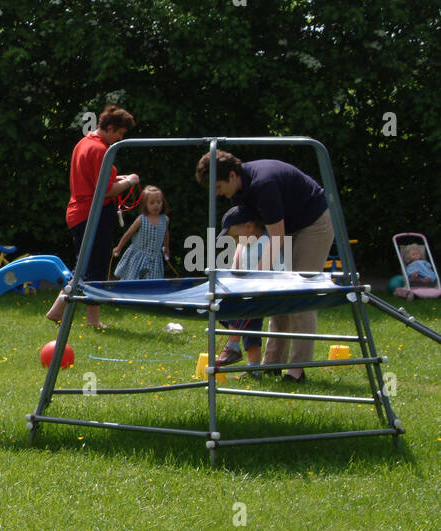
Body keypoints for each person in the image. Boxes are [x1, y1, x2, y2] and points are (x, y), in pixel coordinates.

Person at [196, 149, 334, 382]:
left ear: (231, 175)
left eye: (218, 187)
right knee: (279, 293)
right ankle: (272, 363)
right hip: (287, 227)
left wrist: (256, 278)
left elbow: (276, 237)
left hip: (313, 224)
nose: (217, 194)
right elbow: (248, 232)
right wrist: (239, 272)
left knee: (300, 293)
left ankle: (297, 370)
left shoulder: (263, 185)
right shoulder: (238, 192)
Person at [47, 106, 140, 328]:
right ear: (109, 128)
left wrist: (120, 178)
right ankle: (92, 320)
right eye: (119, 133)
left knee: (83, 266)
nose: (120, 138)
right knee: (94, 268)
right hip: (93, 213)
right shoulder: (100, 150)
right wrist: (130, 181)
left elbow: (94, 181)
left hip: (79, 211)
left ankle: (57, 311)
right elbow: (105, 190)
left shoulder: (84, 143)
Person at [214, 205, 282, 368]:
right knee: (249, 329)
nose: (236, 242)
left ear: (249, 227)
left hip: (268, 295)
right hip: (251, 297)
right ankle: (254, 368)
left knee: (242, 315)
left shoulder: (266, 243)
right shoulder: (245, 245)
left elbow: (281, 271)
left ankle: (232, 346)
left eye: (236, 237)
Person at [112, 185, 170, 280]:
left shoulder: (165, 219)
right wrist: (119, 247)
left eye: (159, 202)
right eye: (152, 203)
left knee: (152, 283)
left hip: (154, 259)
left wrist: (166, 247)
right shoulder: (141, 219)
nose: (156, 205)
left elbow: (166, 234)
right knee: (132, 279)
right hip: (138, 257)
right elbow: (128, 234)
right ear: (145, 204)